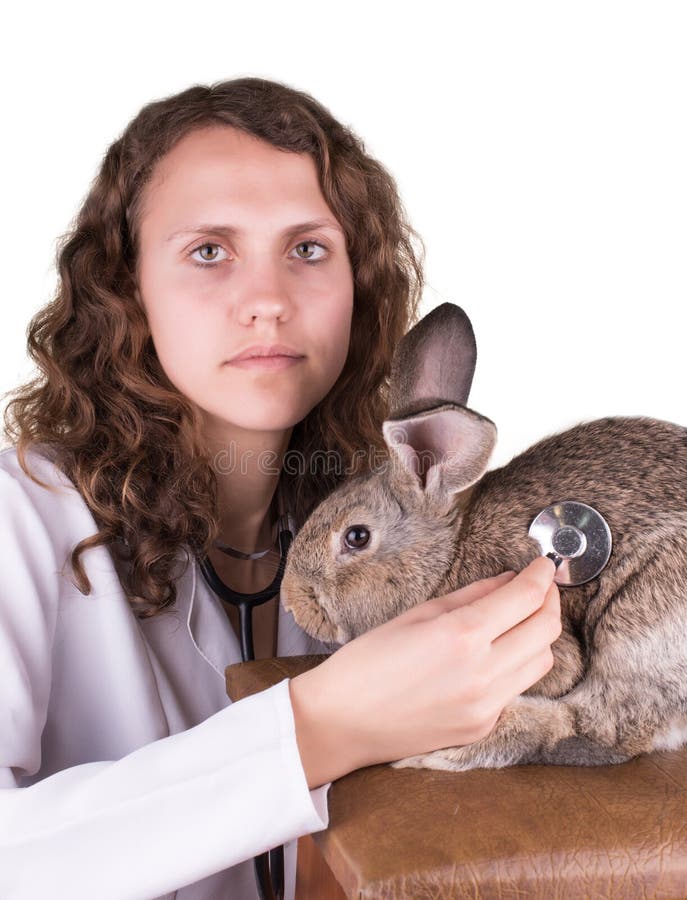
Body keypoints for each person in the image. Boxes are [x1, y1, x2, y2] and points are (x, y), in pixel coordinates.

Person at [0, 76, 561, 899]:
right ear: (127, 291)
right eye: (208, 251)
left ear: (356, 290)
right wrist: (317, 729)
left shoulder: (387, 530)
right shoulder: (20, 512)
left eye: (306, 250)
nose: (266, 301)